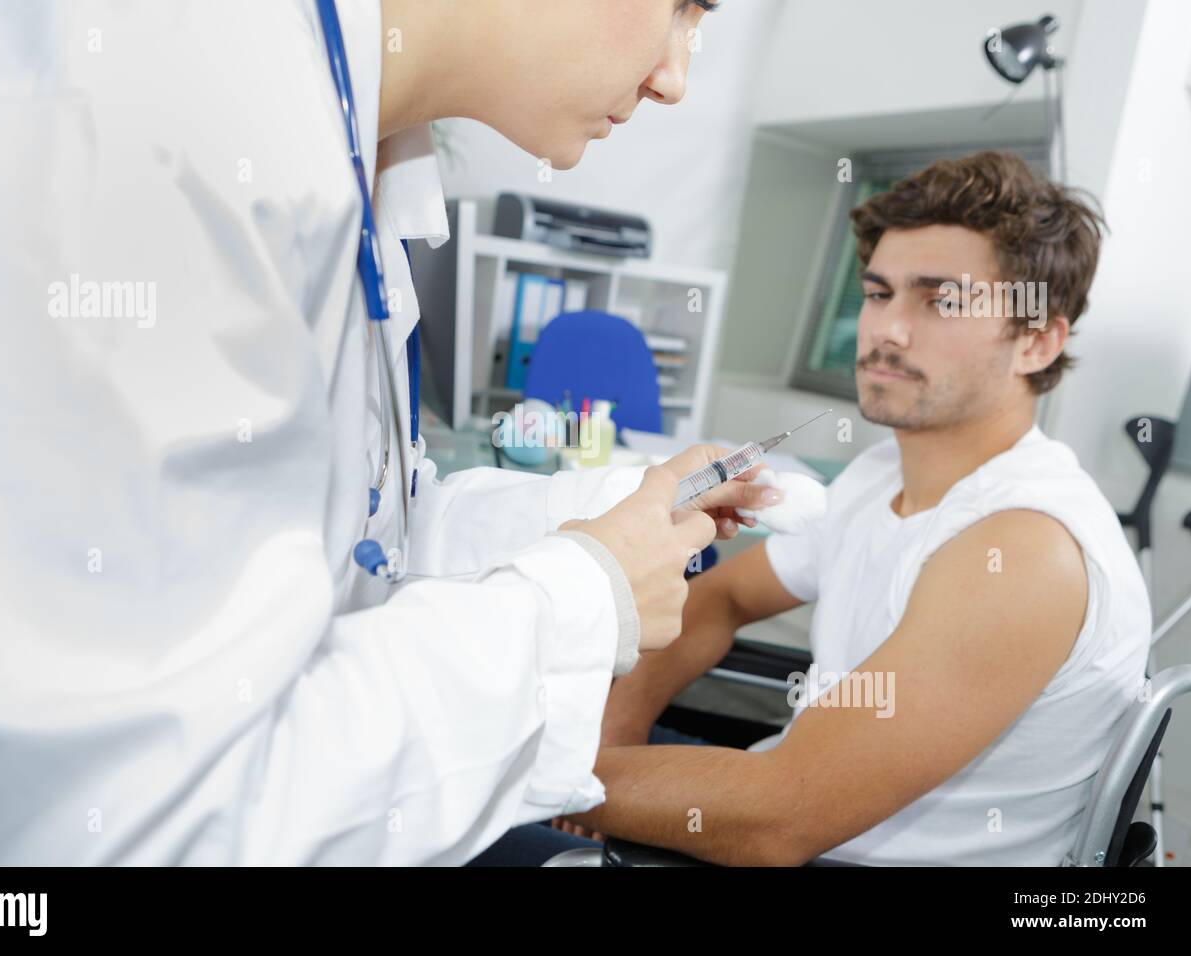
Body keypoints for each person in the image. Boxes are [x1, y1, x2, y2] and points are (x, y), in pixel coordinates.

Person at [0, 0, 765, 865]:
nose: (676, 78)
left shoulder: (354, 147)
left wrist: (616, 514)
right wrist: (581, 597)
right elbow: (139, 822)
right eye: (686, 3)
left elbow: (353, 542)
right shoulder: (154, 115)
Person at [481, 150, 1153, 866]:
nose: (886, 330)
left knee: (434, 829)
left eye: (941, 300)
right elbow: (722, 600)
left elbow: (780, 817)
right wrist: (610, 733)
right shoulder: (878, 474)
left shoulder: (1025, 550)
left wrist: (535, 775)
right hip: (787, 798)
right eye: (878, 292)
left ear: (1037, 340)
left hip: (805, 837)